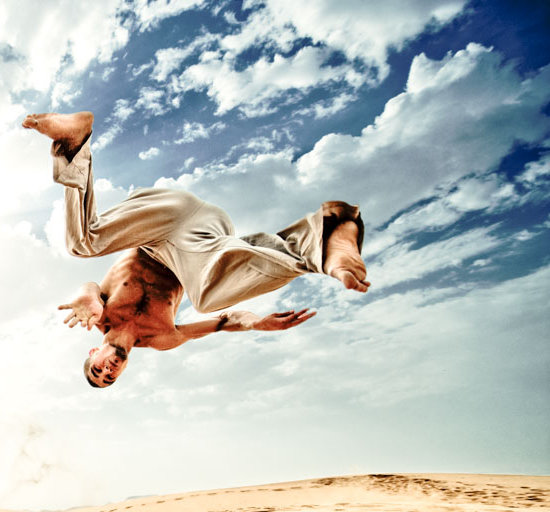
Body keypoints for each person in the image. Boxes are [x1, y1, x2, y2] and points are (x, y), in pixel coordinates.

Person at [23, 111, 368, 388]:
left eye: (98, 370)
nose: (108, 370)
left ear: (93, 352)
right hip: (199, 239)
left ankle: (73, 143)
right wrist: (255, 323)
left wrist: (86, 297)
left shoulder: (99, 315)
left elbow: (89, 291)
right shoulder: (163, 338)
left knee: (82, 243)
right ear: (123, 372)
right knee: (208, 298)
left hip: (156, 222)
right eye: (111, 377)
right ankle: (330, 235)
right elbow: (221, 322)